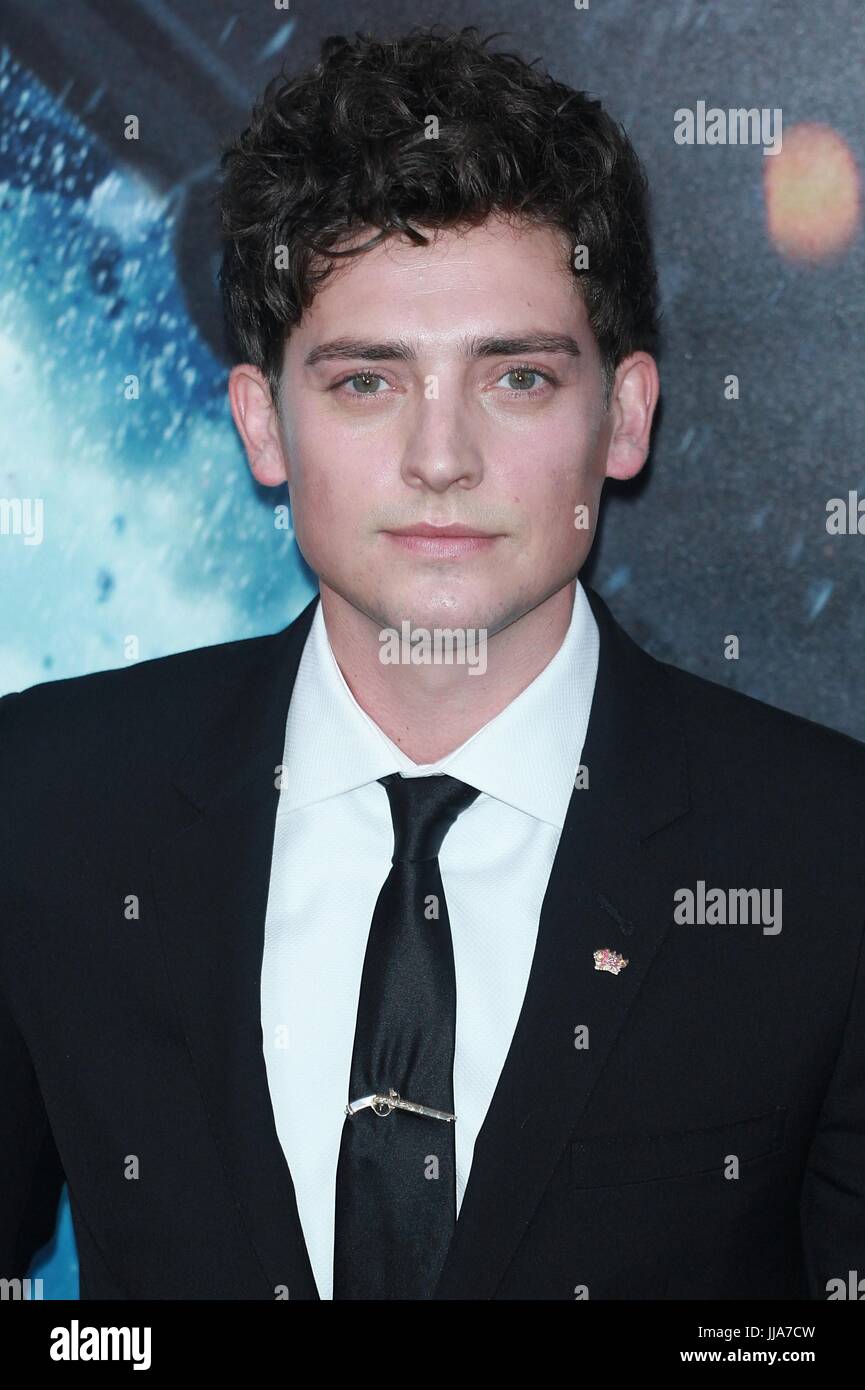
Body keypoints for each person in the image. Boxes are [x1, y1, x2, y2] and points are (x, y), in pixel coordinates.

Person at [2, 25, 864, 1302]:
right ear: (262, 423)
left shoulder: (826, 853)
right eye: (365, 383)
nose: (440, 457)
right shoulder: (48, 799)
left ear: (623, 415)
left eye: (515, 377)